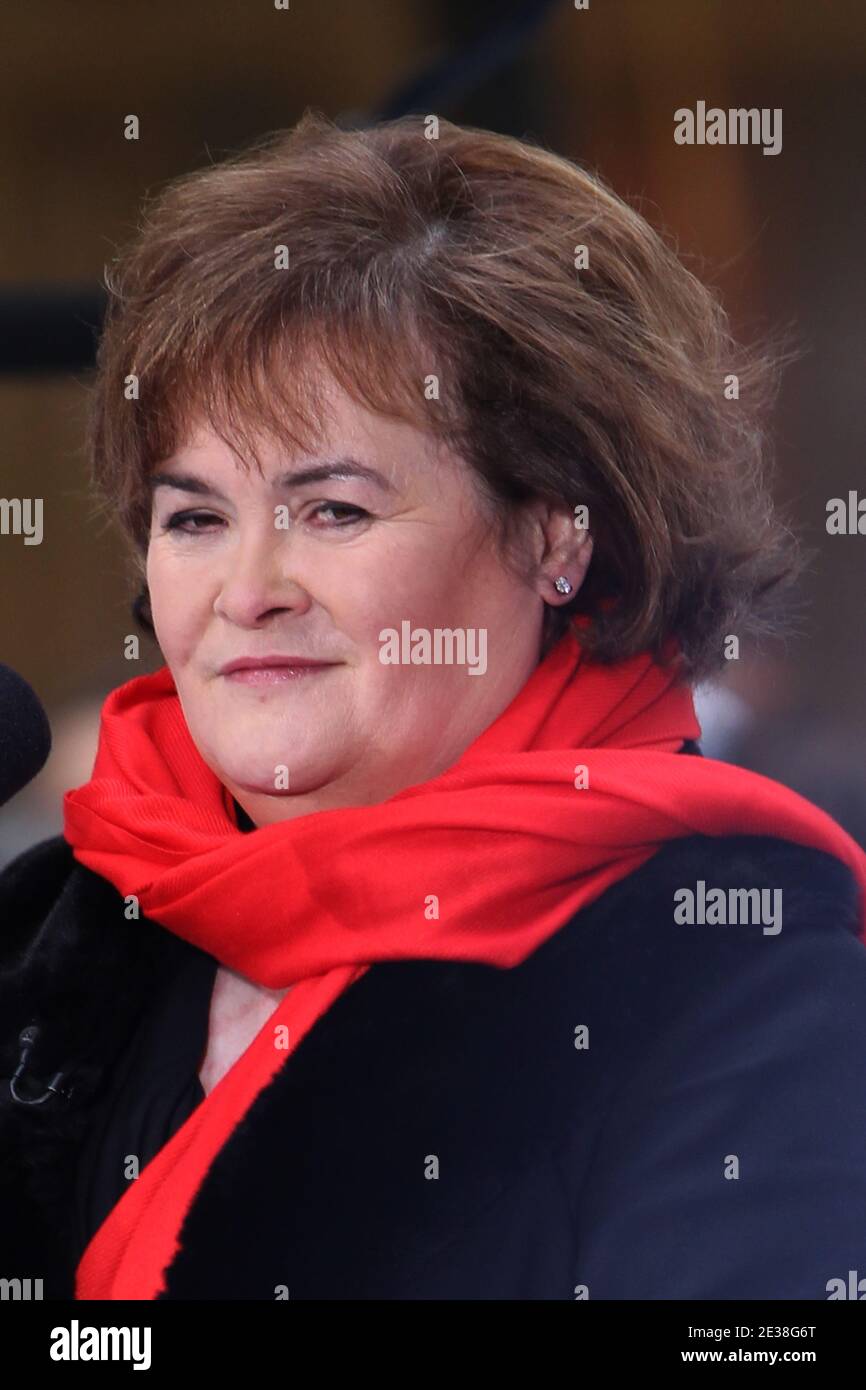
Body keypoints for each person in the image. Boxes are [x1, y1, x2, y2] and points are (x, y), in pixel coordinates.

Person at [2, 109, 866, 1302]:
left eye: (336, 510)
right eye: (194, 517)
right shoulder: (53, 926)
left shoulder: (732, 975)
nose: (245, 592)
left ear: (554, 533)